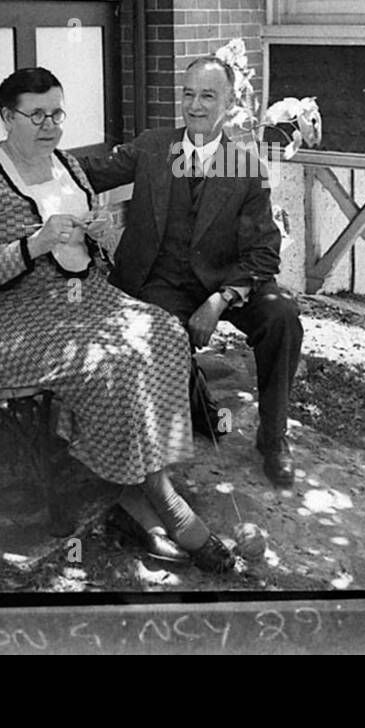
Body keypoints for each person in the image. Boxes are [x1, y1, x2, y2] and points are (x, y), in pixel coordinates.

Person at [0, 67, 234, 572]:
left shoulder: (67, 165)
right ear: (8, 117)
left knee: (162, 332)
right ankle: (160, 498)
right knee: (111, 361)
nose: (49, 125)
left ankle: (136, 476)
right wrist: (33, 244)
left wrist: (96, 235)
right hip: (2, 323)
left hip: (81, 303)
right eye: (36, 115)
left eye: (57, 112)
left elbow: (86, 251)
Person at [81, 57, 304, 487]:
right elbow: (90, 173)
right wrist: (26, 164)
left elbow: (263, 253)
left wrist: (220, 300)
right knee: (160, 330)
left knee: (282, 315)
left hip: (223, 282)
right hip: (160, 282)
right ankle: (193, 416)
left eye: (208, 96)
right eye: (188, 94)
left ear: (229, 103)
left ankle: (274, 438)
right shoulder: (152, 146)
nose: (195, 106)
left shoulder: (246, 168)